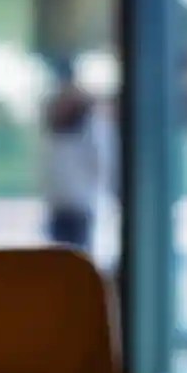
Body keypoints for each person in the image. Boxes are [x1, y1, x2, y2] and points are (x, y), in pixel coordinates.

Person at [40, 59, 114, 252]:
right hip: (58, 203)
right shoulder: (55, 126)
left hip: (80, 203)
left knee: (78, 253)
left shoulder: (91, 126)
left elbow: (101, 161)